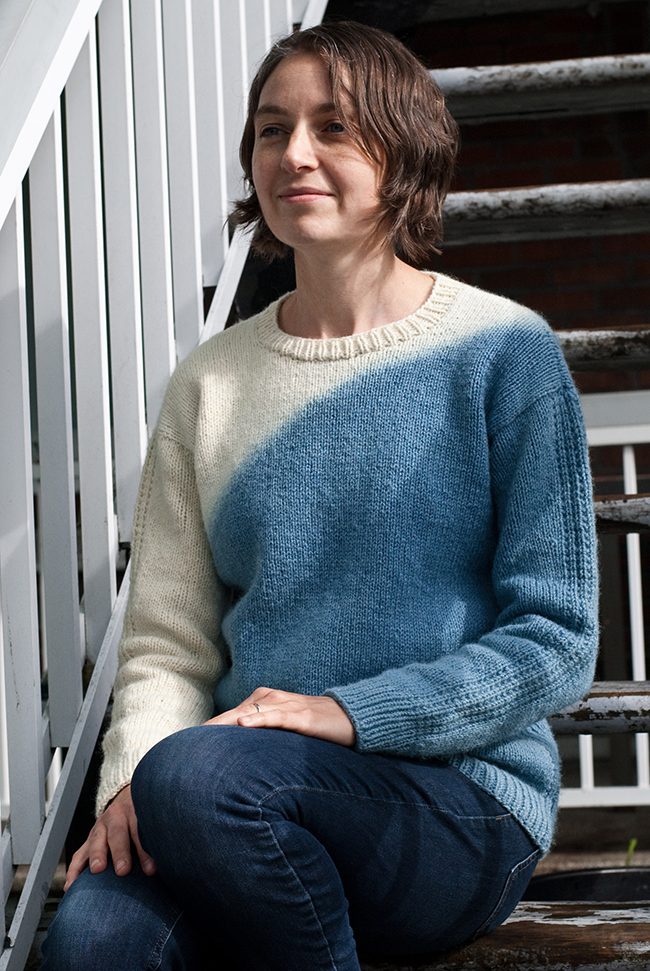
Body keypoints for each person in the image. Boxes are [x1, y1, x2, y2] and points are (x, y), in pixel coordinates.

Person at [42, 21, 599, 971]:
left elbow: (556, 639)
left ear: (404, 151)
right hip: (231, 797)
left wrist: (345, 711)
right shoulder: (210, 383)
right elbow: (168, 642)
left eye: (333, 126)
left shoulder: (505, 353)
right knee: (95, 942)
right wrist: (133, 779)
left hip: (458, 800)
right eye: (273, 129)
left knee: (201, 779)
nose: (294, 153)